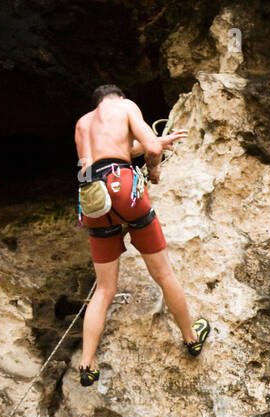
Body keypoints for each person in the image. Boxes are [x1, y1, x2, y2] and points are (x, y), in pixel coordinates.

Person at [74, 84, 209, 385]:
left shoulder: (83, 123)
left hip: (92, 199)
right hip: (124, 189)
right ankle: (191, 337)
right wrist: (155, 170)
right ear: (119, 97)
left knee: (105, 289)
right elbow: (150, 150)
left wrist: (155, 140)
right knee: (163, 274)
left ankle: (87, 365)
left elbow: (110, 152)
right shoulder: (126, 106)